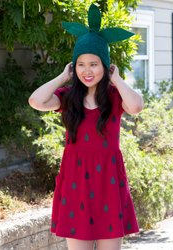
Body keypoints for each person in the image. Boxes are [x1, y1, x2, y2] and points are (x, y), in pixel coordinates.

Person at [29, 4, 143, 250]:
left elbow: (135, 106)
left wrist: (118, 78)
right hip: (76, 182)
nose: (87, 70)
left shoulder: (114, 97)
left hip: (109, 183)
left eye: (94, 64)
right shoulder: (68, 97)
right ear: (74, 67)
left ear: (105, 66)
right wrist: (62, 77)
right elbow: (36, 101)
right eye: (81, 64)